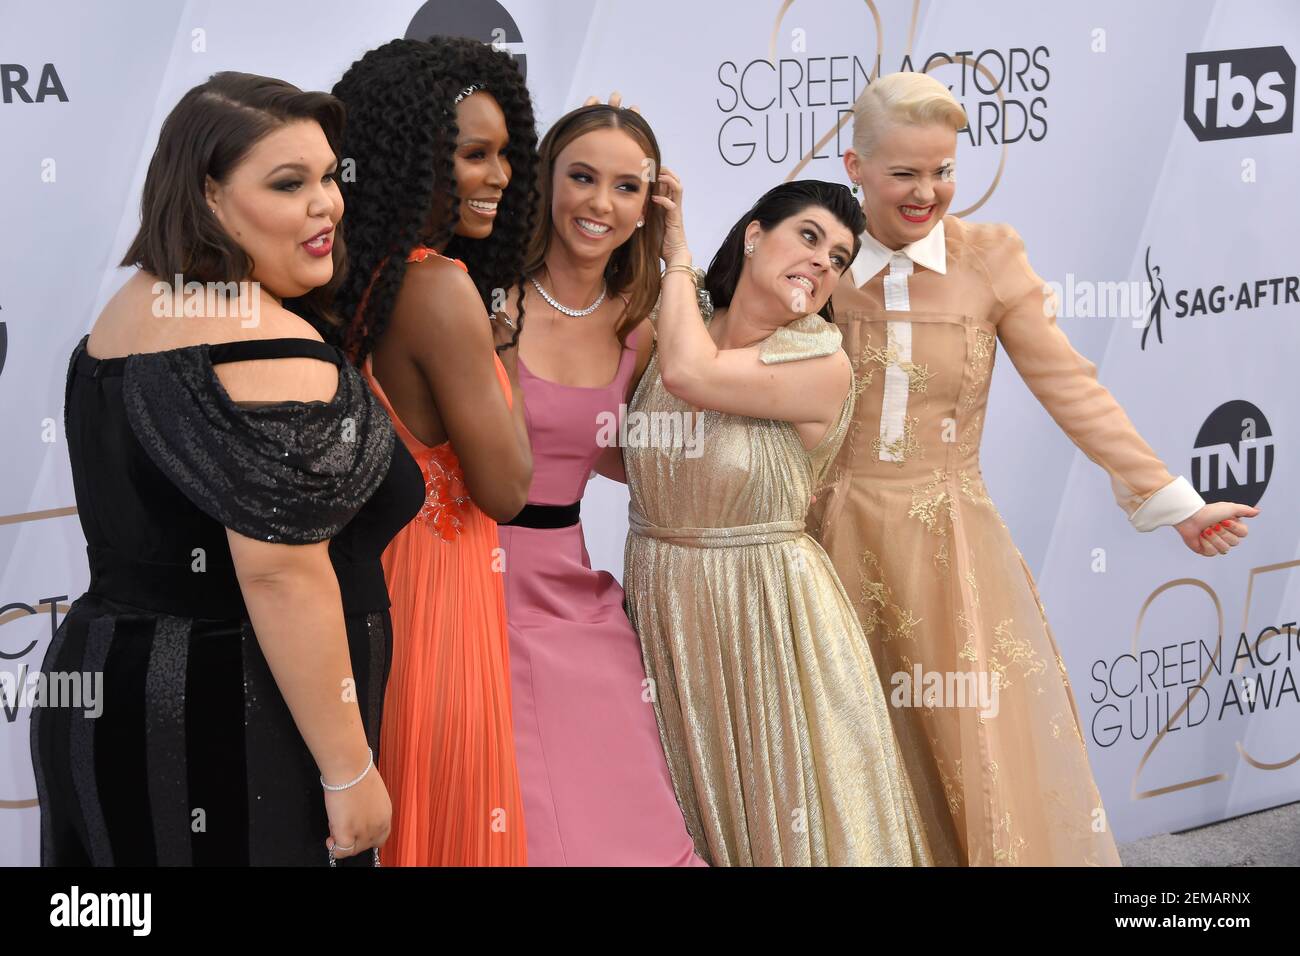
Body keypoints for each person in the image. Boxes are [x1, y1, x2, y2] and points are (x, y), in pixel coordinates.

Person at [807, 70, 1261, 865]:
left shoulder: (990, 258)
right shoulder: (814, 254)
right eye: (905, 172)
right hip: (822, 539)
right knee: (842, 749)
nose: (928, 192)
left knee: (962, 747)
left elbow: (1069, 386)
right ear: (855, 167)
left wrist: (1172, 498)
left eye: (944, 169)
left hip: (946, 548)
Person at [31, 72, 422, 866]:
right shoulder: (266, 344)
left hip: (102, 690)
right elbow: (281, 576)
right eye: (289, 183)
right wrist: (348, 771)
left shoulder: (125, 314)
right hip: (232, 718)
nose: (327, 204)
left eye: (325, 176)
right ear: (208, 197)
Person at [623, 176, 932, 866]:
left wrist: (675, 249)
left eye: (841, 258)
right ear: (756, 234)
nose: (825, 261)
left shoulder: (822, 364)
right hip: (660, 601)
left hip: (769, 614)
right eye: (811, 237)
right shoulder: (678, 318)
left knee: (788, 820)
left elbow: (687, 375)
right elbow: (636, 455)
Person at [330, 37, 535, 866]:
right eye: (476, 155)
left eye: (507, 154)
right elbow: (508, 488)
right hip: (440, 596)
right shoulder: (439, 285)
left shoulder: (351, 280)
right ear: (417, 155)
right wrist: (503, 348)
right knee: (447, 820)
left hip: (365, 595)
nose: (502, 178)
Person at [495, 102, 702, 866]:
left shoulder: (640, 322)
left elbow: (654, 448)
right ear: (546, 178)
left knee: (630, 807)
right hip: (467, 576)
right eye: (582, 177)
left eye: (626, 187)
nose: (600, 205)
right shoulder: (487, 298)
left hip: (574, 589)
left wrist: (676, 249)